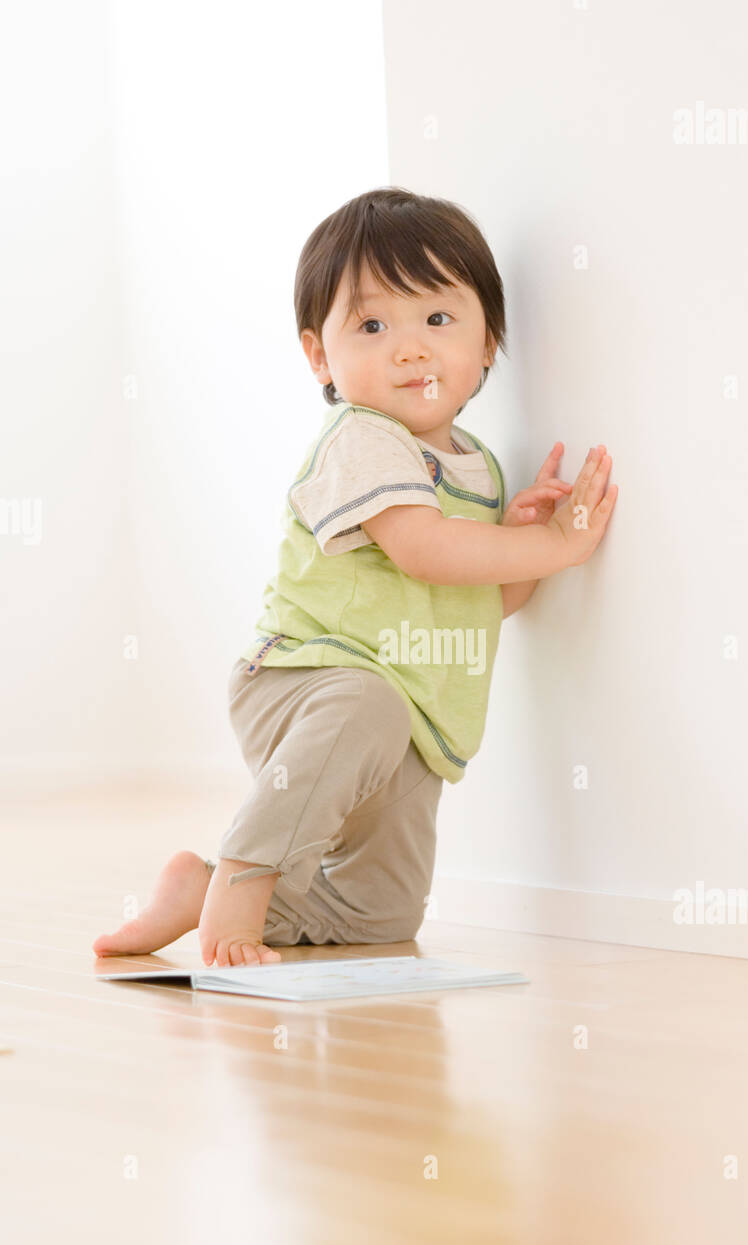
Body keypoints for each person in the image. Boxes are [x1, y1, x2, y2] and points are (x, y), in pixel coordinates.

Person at [93, 186, 617, 968]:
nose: (408, 348)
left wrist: (513, 541)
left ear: (486, 344)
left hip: (406, 725)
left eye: (436, 320)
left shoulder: (475, 468)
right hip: (309, 682)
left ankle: (198, 888)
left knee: (381, 914)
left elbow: (483, 599)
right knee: (366, 700)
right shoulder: (363, 439)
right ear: (320, 358)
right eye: (372, 326)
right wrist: (555, 545)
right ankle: (236, 895)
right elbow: (422, 550)